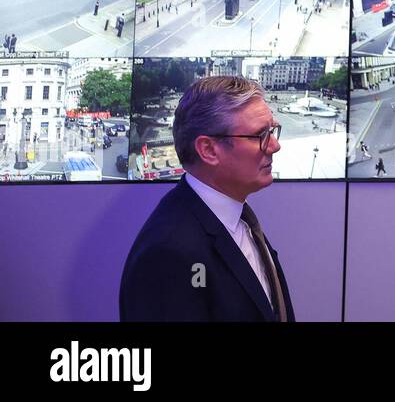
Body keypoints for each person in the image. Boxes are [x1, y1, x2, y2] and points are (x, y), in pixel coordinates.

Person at [119, 76, 294, 321]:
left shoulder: (237, 218)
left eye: (272, 131)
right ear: (209, 150)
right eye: (260, 135)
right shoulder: (168, 253)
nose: (274, 146)